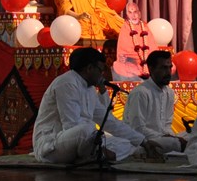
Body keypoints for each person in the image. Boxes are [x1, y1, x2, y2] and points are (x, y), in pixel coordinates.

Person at [32, 47, 163, 164]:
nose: (102, 75)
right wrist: (99, 146)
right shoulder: (67, 83)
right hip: (52, 145)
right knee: (87, 130)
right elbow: (71, 125)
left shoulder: (89, 89)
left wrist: (143, 141)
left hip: (81, 142)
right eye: (100, 70)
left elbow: (110, 122)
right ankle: (96, 154)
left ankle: (93, 156)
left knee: (126, 143)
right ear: (89, 68)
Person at [123, 51, 186, 153]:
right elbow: (137, 128)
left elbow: (167, 124)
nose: (168, 72)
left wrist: (169, 137)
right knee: (177, 143)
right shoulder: (141, 93)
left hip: (162, 139)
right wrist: (167, 138)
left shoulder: (169, 92)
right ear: (151, 69)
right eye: (163, 68)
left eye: (170, 67)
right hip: (141, 140)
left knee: (190, 136)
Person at [113, 2, 158, 80]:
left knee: (171, 66)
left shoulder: (145, 26)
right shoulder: (125, 27)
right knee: (118, 66)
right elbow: (123, 50)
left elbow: (153, 48)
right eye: (130, 12)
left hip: (148, 62)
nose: (133, 15)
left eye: (135, 12)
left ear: (139, 14)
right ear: (127, 15)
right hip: (132, 64)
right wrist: (135, 58)